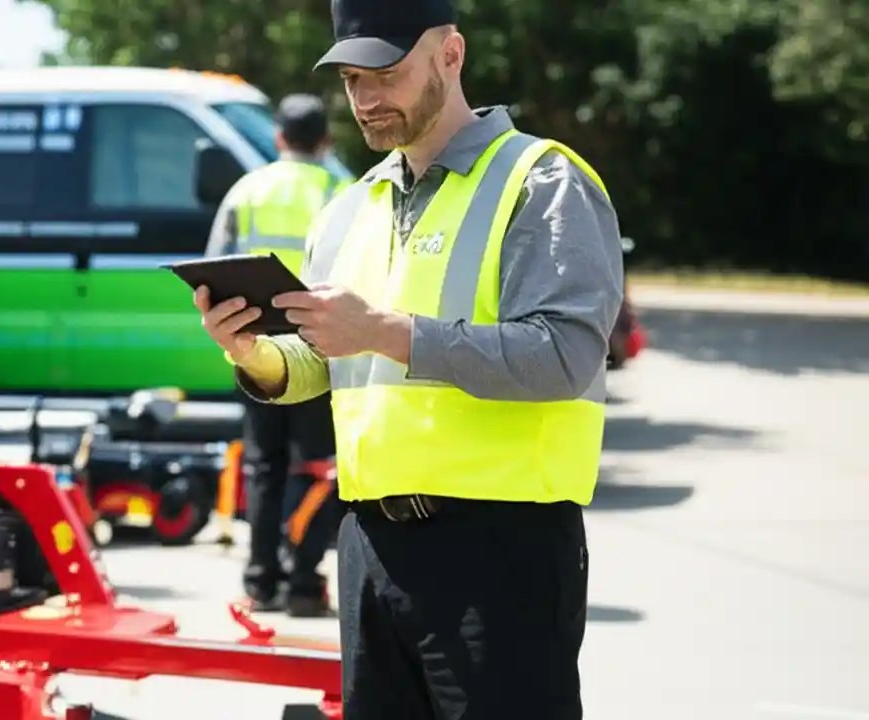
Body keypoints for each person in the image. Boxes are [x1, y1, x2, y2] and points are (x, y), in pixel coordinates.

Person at [192, 0, 626, 716]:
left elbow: (563, 355)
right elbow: (325, 361)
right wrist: (253, 354)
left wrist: (387, 332)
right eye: (352, 81)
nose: (366, 98)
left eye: (385, 74)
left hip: (502, 548)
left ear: (450, 55)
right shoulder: (347, 209)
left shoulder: (541, 181)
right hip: (369, 545)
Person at [204, 93, 346, 618]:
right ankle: (305, 582)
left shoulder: (248, 189)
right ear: (325, 140)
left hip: (258, 351)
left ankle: (261, 581)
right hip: (319, 350)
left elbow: (215, 266)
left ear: (279, 138)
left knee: (264, 468)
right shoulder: (343, 190)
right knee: (317, 469)